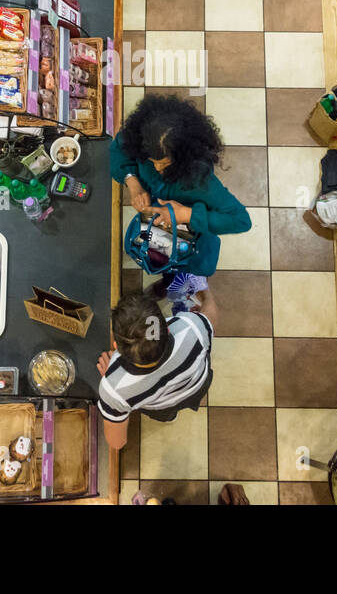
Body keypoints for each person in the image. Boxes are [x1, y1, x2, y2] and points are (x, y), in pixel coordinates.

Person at [111, 93, 251, 302]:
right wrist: (132, 180)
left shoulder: (200, 181)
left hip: (192, 240)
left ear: (184, 156)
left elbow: (241, 220)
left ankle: (176, 283)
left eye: (165, 164)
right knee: (159, 258)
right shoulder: (143, 140)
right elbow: (118, 149)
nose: (157, 169)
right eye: (152, 161)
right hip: (160, 228)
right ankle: (167, 278)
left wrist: (185, 214)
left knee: (183, 268)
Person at [97, 290, 216, 450]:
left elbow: (117, 443)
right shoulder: (192, 326)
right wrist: (206, 295)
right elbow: (211, 316)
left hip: (161, 406)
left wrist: (110, 376)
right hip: (197, 384)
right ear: (166, 328)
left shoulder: (113, 391)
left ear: (117, 347)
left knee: (167, 414)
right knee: (192, 398)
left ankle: (171, 417)